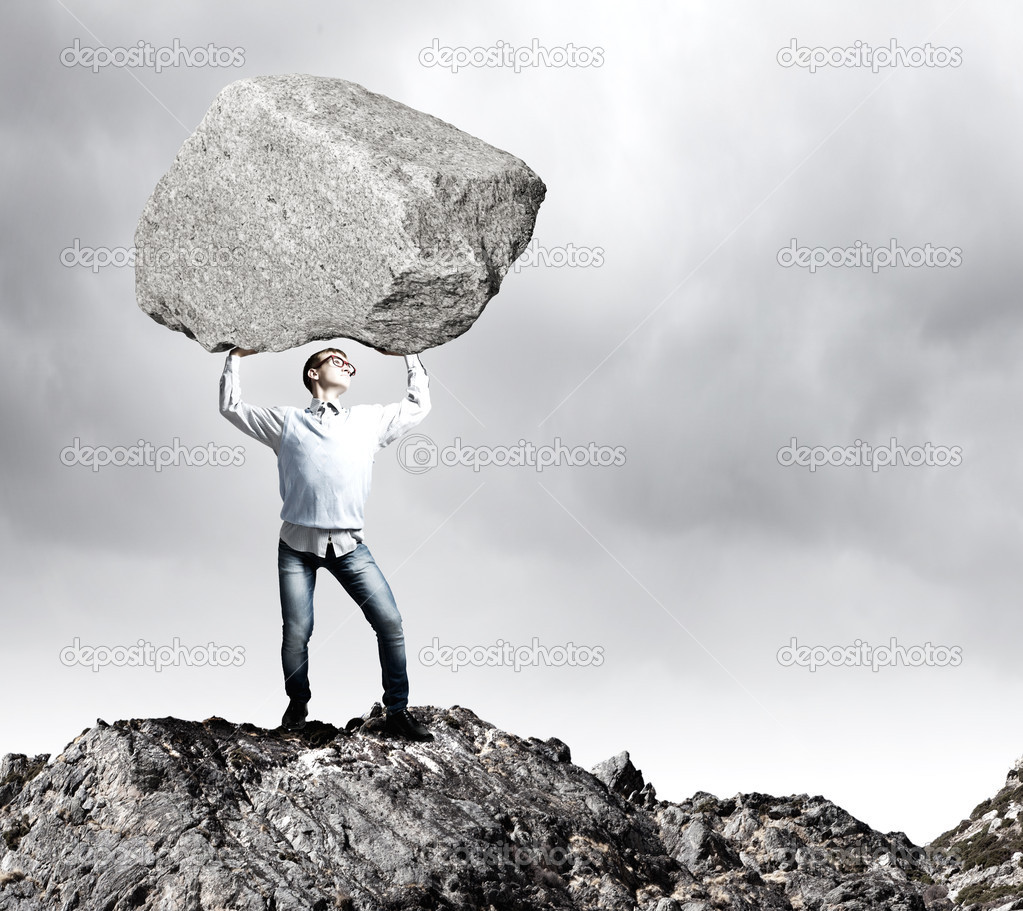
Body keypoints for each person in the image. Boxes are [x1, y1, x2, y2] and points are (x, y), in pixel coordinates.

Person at [219, 343, 433, 741]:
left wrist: (409, 352)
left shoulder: (368, 421)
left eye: (350, 363)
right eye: (337, 359)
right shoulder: (286, 423)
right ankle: (297, 703)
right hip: (296, 550)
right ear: (313, 374)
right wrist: (234, 357)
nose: (348, 365)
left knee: (390, 623)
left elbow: (417, 404)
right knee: (298, 631)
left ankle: (397, 711)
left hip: (351, 548)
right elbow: (232, 407)